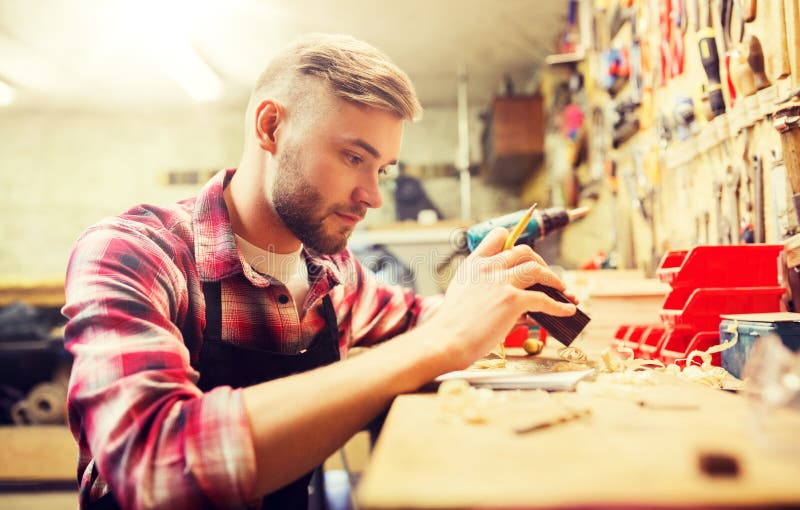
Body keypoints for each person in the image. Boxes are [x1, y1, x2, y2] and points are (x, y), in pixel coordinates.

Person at [62, 33, 577, 510]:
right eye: (353, 157)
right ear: (271, 127)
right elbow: (151, 466)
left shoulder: (331, 274)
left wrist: (496, 299)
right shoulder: (134, 253)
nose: (373, 196)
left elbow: (419, 316)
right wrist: (438, 343)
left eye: (381, 170)